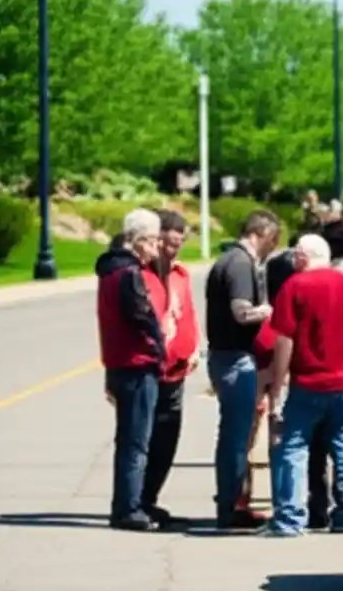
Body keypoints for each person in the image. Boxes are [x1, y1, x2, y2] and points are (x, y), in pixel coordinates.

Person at [265, 234, 343, 536]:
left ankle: (290, 518)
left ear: (302, 256)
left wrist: (277, 385)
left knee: (294, 446)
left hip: (309, 382)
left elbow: (284, 339)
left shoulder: (295, 286)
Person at [205, 209, 281, 530]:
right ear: (260, 233)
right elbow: (241, 312)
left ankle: (231, 500)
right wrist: (267, 311)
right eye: (273, 239)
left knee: (234, 435)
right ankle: (230, 505)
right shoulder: (239, 264)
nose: (273, 247)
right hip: (234, 358)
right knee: (236, 437)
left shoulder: (228, 260)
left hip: (225, 356)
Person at [96, 209, 165, 531]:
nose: (157, 247)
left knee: (128, 439)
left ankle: (125, 503)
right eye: (153, 240)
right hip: (136, 364)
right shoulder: (129, 274)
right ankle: (129, 508)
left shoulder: (110, 271)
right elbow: (140, 315)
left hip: (119, 362)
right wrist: (158, 345)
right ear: (138, 241)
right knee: (136, 440)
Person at [141, 209, 200, 528]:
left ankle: (150, 498)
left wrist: (194, 346)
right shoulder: (142, 275)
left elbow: (188, 312)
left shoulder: (181, 274)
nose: (171, 250)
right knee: (143, 438)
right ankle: (136, 500)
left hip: (178, 370)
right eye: (166, 243)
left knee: (167, 438)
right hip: (150, 370)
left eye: (178, 244)